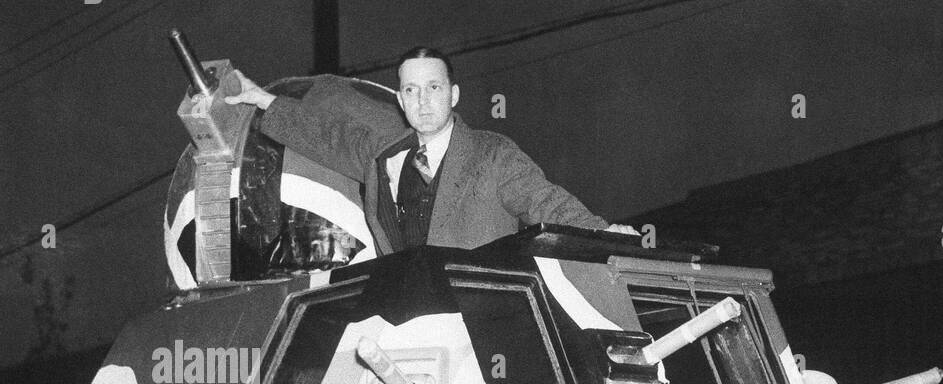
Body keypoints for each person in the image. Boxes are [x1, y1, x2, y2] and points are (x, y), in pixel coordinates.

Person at [224, 46, 635, 253]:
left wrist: (601, 232)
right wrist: (261, 99)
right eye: (412, 91)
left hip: (482, 325)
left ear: (454, 94)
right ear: (400, 101)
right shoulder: (382, 154)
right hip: (410, 324)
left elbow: (546, 203)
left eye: (433, 88)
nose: (423, 101)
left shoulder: (492, 155)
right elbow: (328, 137)